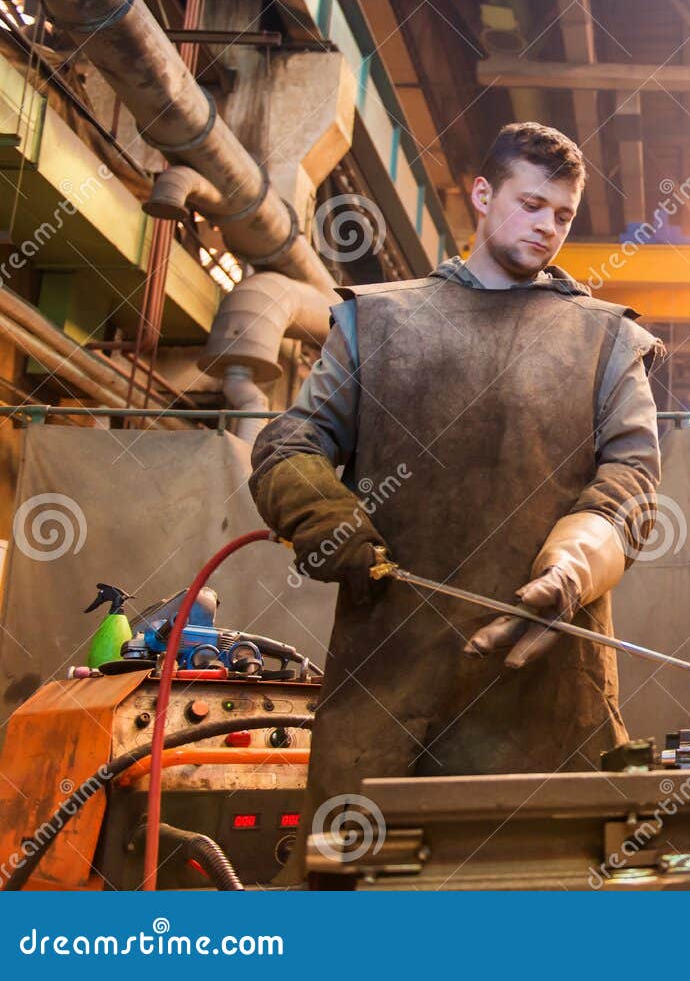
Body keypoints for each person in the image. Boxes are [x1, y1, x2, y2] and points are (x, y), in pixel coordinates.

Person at [249, 122, 662, 874]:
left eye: (563, 214)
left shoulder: (605, 340)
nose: (547, 227)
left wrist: (571, 569)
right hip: (387, 709)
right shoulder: (376, 323)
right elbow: (289, 444)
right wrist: (321, 511)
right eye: (531, 204)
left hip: (550, 708)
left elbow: (631, 486)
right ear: (482, 194)